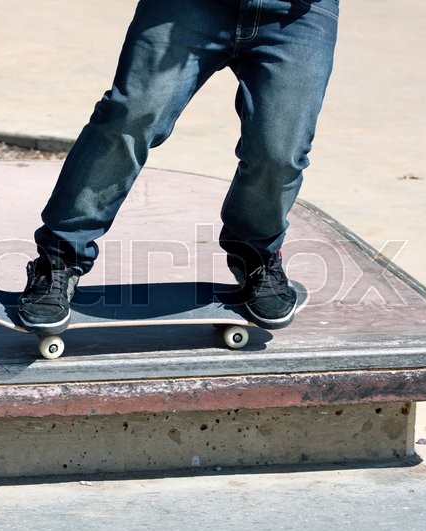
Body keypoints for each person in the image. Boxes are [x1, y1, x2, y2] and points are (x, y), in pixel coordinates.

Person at [18, 0, 339, 335]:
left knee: (279, 150)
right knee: (130, 117)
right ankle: (59, 259)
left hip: (296, 16)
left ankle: (257, 255)